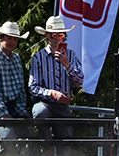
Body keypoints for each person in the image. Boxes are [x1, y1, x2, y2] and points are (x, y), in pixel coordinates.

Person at [29, 15, 84, 143]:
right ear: (46, 36)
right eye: (54, 35)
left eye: (61, 35)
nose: (57, 39)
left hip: (63, 105)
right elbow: (33, 87)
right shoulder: (38, 57)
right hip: (44, 103)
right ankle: (46, 146)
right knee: (40, 112)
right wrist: (52, 93)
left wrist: (67, 65)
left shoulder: (71, 55)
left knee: (65, 143)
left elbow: (80, 81)